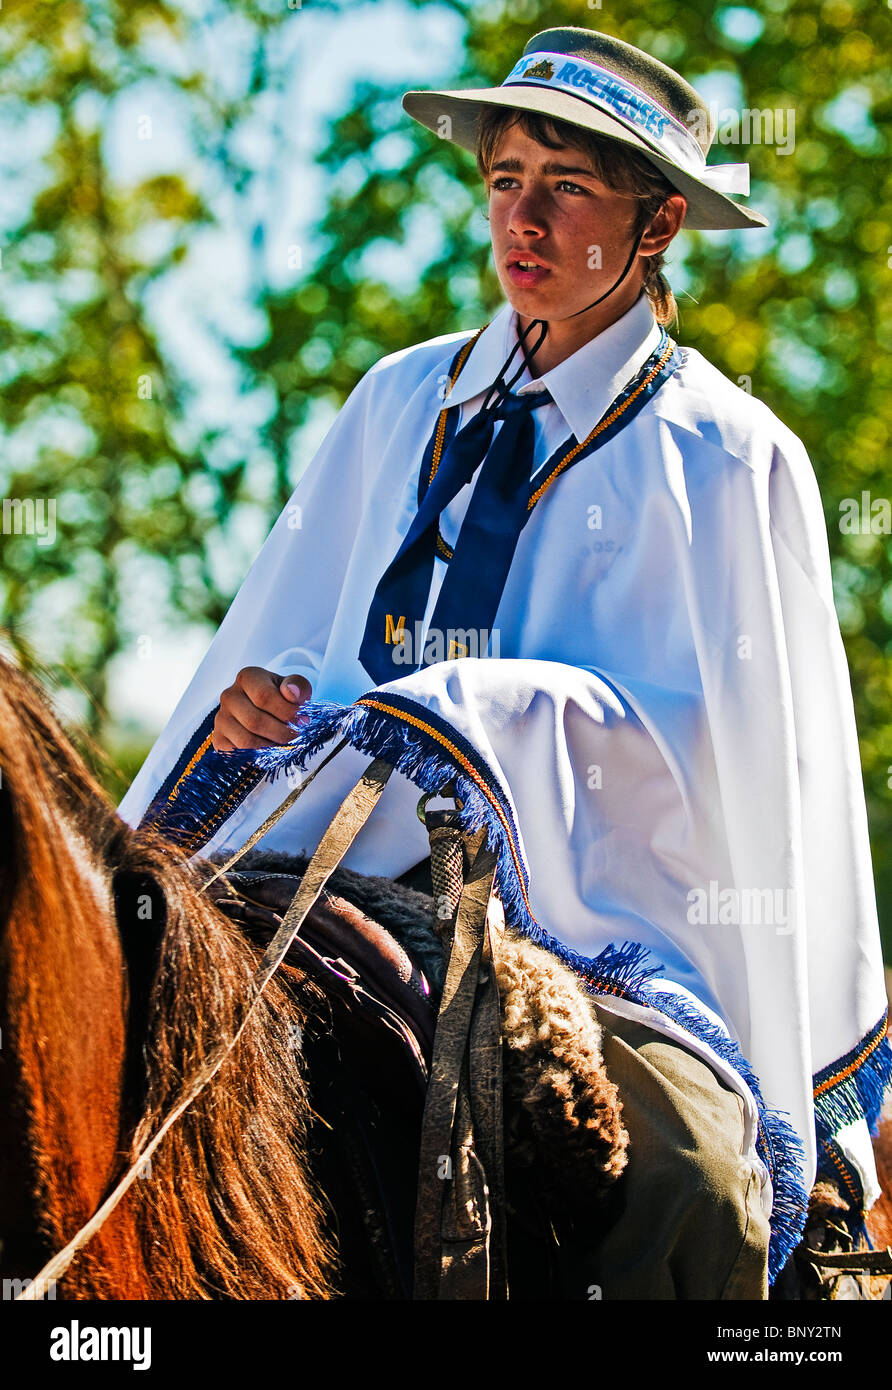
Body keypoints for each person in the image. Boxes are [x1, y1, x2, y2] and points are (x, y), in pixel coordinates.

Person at [118, 26, 890, 1297]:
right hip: (331, 861)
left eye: (566, 188)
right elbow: (300, 629)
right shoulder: (394, 402)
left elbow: (746, 777)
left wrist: (500, 721)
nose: (520, 219)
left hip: (595, 928)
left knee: (692, 1182)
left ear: (655, 231)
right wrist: (260, 708)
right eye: (503, 180)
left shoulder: (734, 457)